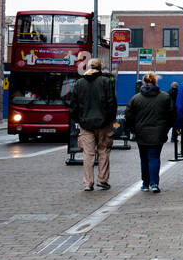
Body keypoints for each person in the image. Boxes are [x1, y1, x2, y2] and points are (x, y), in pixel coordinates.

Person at [68, 57, 117, 192]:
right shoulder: (106, 82)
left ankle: (88, 183)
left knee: (88, 154)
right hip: (103, 124)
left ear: (88, 68)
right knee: (104, 151)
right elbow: (112, 103)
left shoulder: (79, 83)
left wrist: (79, 119)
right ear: (100, 68)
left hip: (85, 124)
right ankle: (103, 180)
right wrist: (109, 119)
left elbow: (73, 106)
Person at [125, 73, 173, 193]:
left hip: (141, 132)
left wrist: (133, 129)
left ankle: (145, 183)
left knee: (144, 158)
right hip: (158, 132)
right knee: (154, 157)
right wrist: (166, 128)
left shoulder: (136, 98)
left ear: (144, 83)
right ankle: (154, 183)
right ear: (156, 82)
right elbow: (172, 115)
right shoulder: (165, 97)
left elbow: (128, 116)